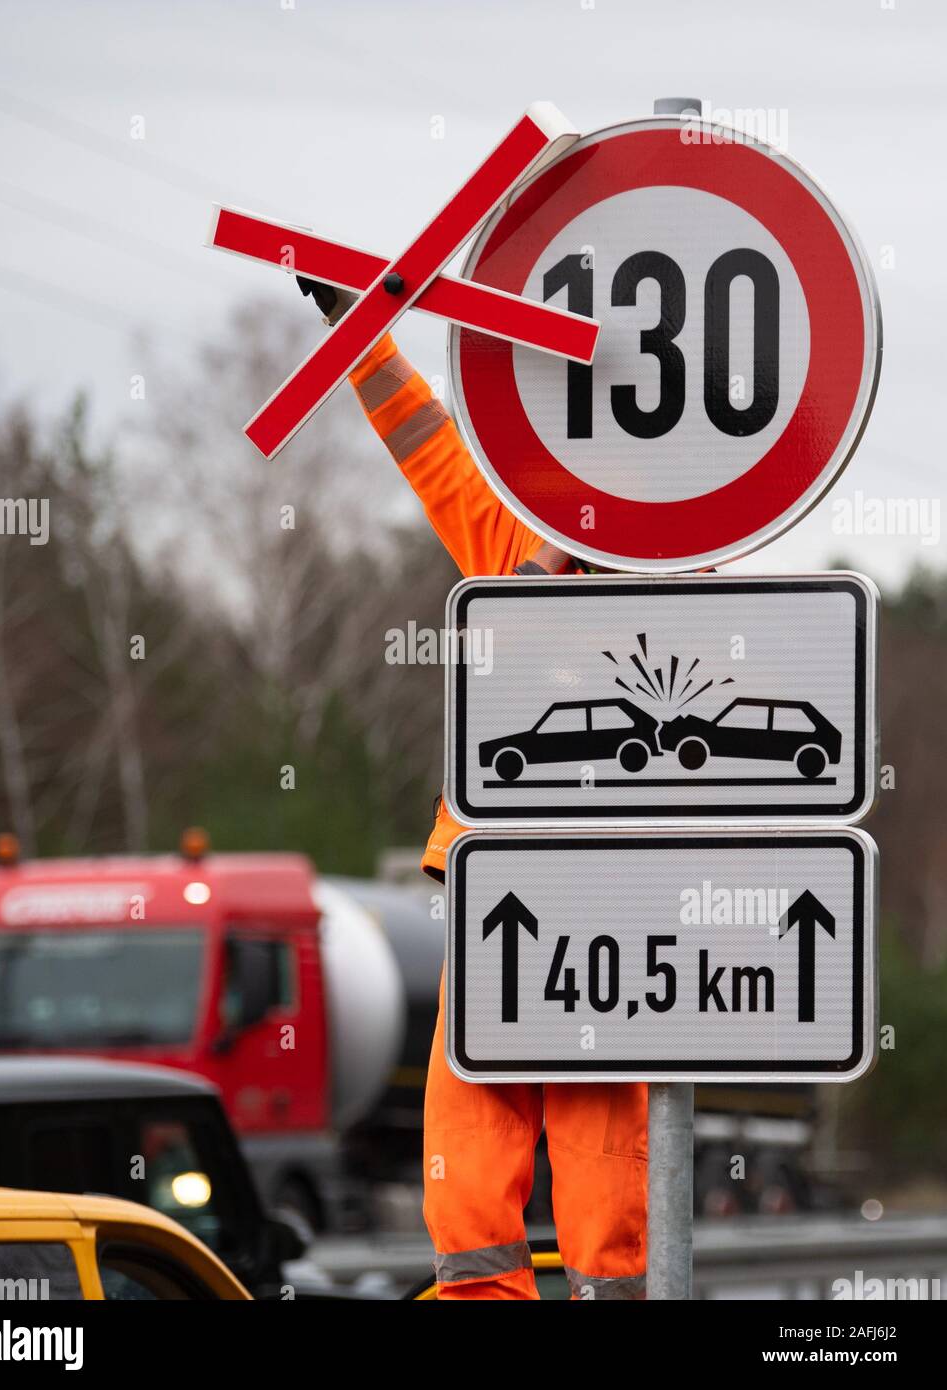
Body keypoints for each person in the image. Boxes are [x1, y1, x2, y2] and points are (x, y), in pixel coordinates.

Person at [300, 279, 648, 1301]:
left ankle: (603, 1289)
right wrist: (358, 335)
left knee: (594, 1128)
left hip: (606, 901)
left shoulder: (671, 587)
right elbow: (429, 444)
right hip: (497, 890)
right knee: (476, 1123)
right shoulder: (511, 550)